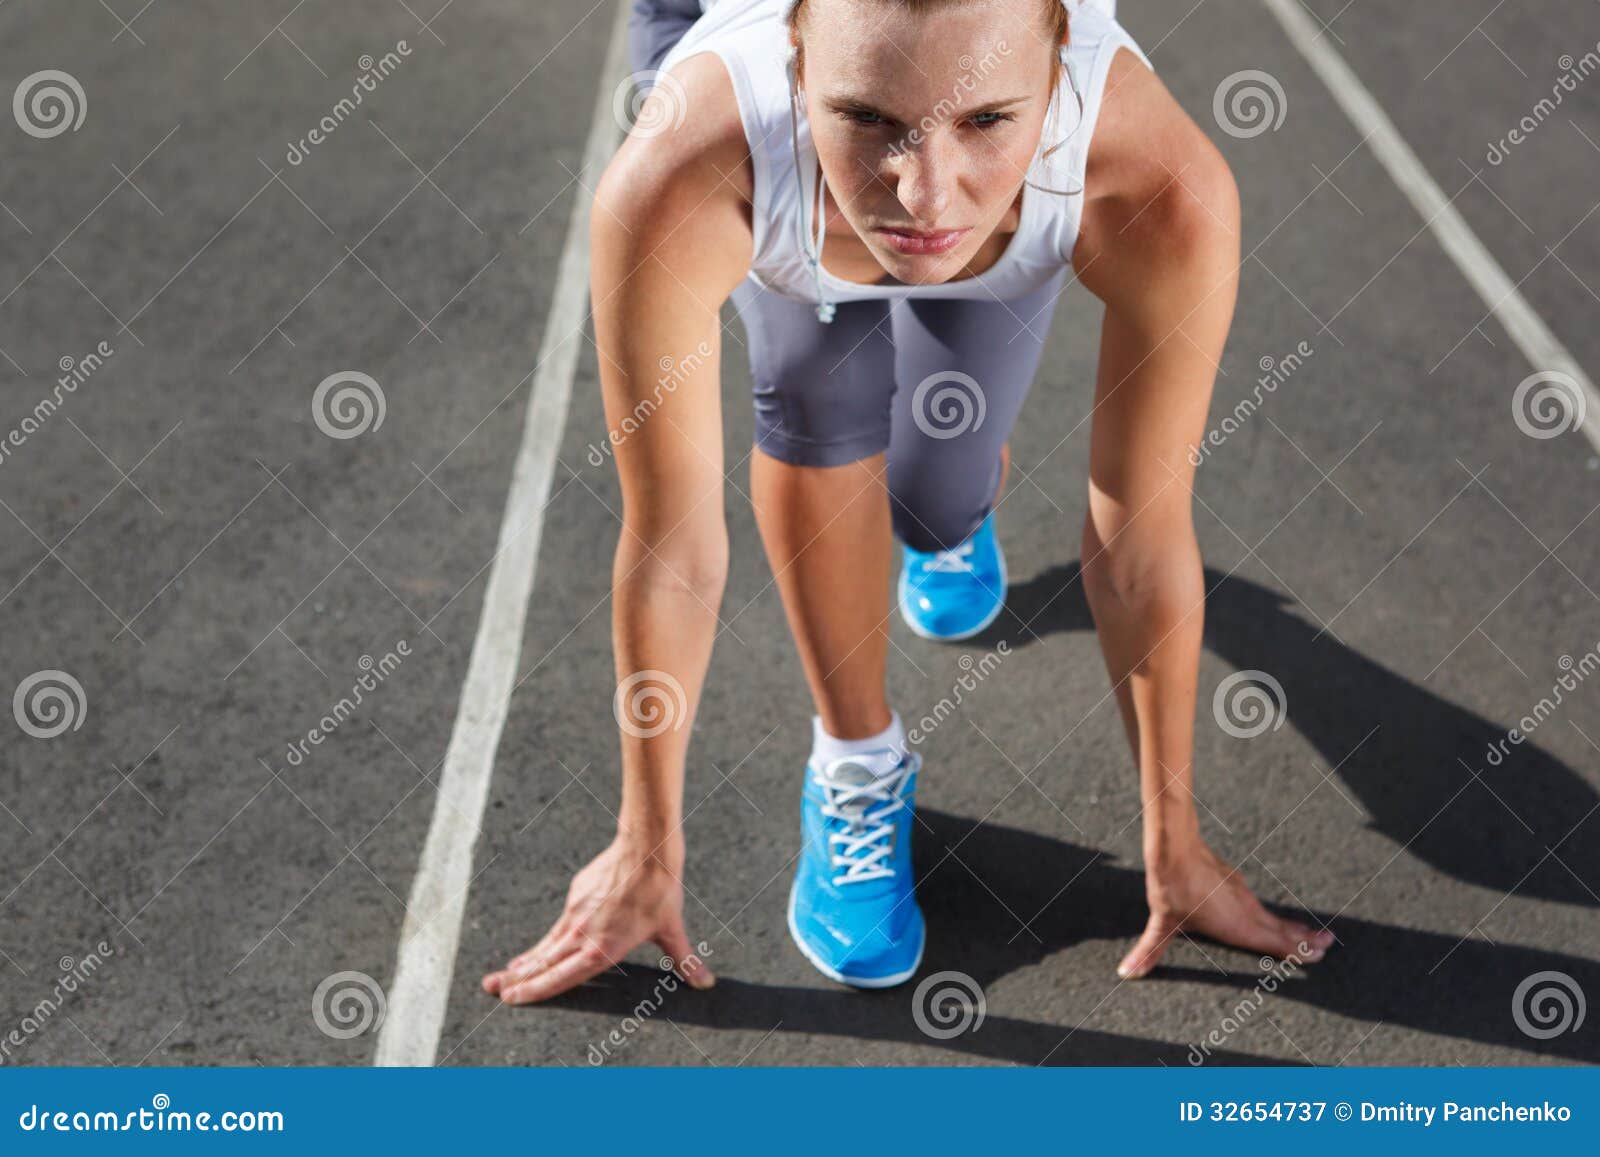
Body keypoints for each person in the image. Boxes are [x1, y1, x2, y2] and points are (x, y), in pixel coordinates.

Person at [483, 0, 1336, 1003]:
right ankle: (854, 757)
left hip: (962, 148)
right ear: (797, 63)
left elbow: (1140, 535)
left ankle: (947, 516)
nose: (925, 195)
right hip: (766, 161)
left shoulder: (1154, 178)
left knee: (933, 501)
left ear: (1059, 72)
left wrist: (1175, 837)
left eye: (984, 123)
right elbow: (673, 541)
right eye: (866, 121)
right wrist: (643, 838)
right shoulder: (687, 168)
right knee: (810, 390)